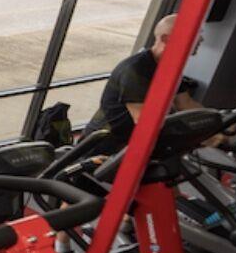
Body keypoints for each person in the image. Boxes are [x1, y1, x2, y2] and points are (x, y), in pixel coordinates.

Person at [81, 13, 219, 153]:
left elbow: (186, 104)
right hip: (106, 146)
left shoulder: (169, 67)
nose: (201, 39)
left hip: (132, 143)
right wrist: (208, 138)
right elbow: (144, 121)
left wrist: (218, 122)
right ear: (167, 39)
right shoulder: (135, 69)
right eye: (195, 34)